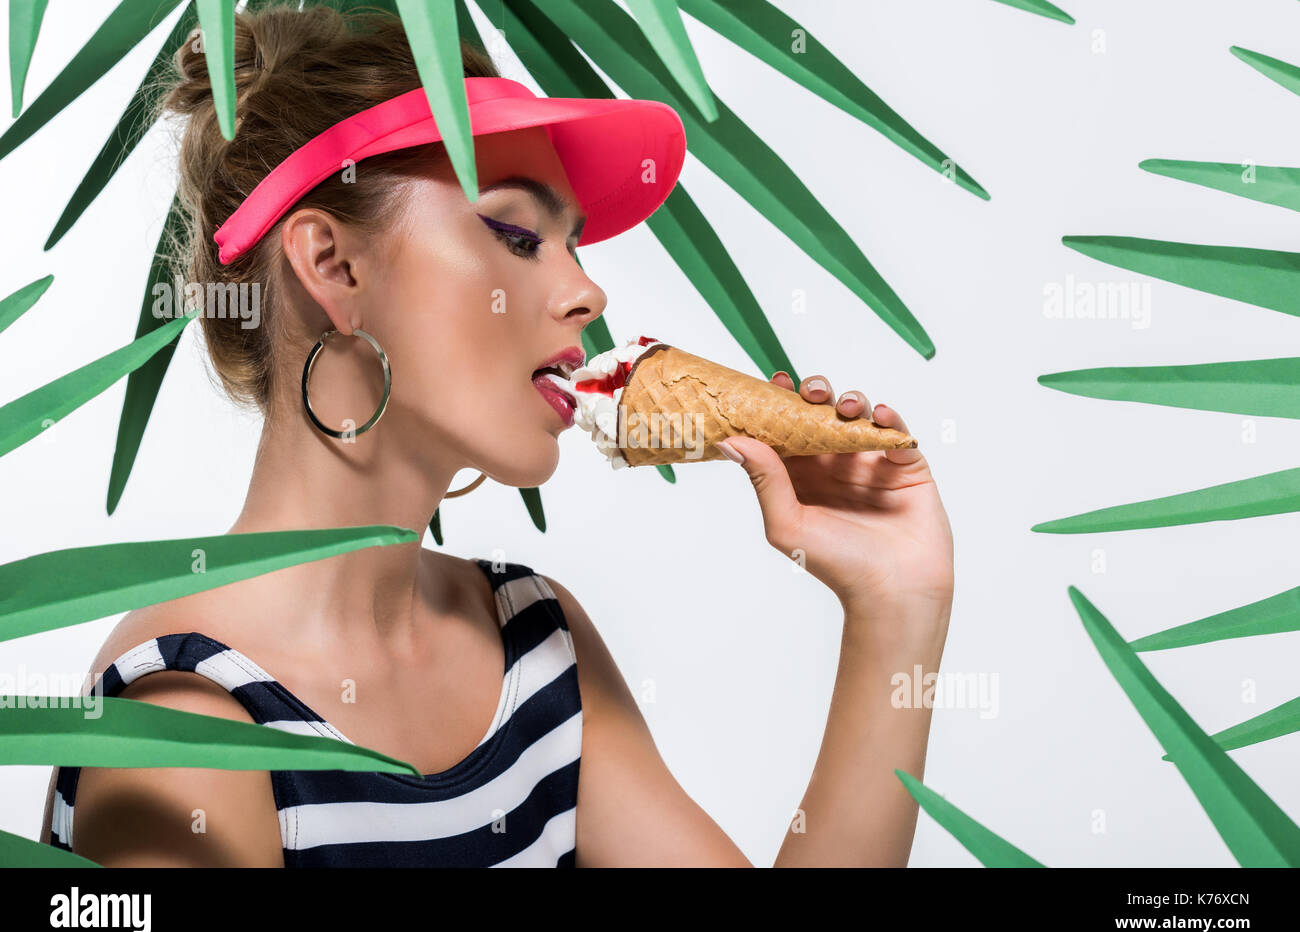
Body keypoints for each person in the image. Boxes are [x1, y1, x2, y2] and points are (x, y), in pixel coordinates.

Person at [38, 2, 954, 867]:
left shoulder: (535, 642)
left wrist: (896, 611)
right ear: (332, 263)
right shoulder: (183, 728)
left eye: (576, 244)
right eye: (517, 236)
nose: (589, 293)